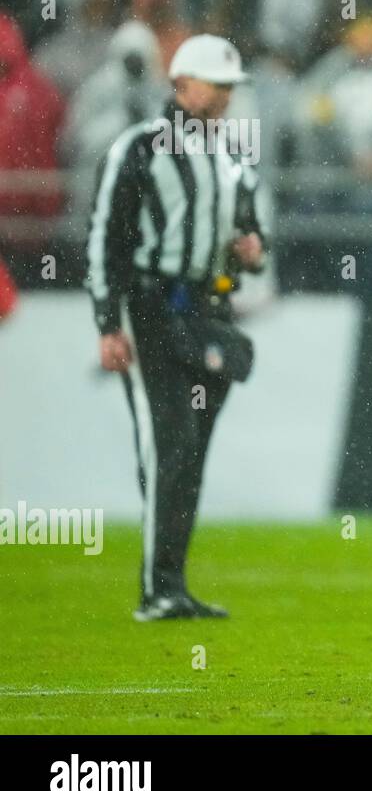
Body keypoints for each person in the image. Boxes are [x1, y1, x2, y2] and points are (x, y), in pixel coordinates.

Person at [85, 33, 266, 621]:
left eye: (230, 87)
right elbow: (105, 238)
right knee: (170, 447)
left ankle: (172, 585)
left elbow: (250, 238)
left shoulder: (234, 156)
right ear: (182, 84)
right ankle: (156, 588)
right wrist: (108, 321)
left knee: (190, 452)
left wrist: (251, 251)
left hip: (207, 312)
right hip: (150, 306)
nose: (225, 97)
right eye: (217, 85)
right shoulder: (138, 149)